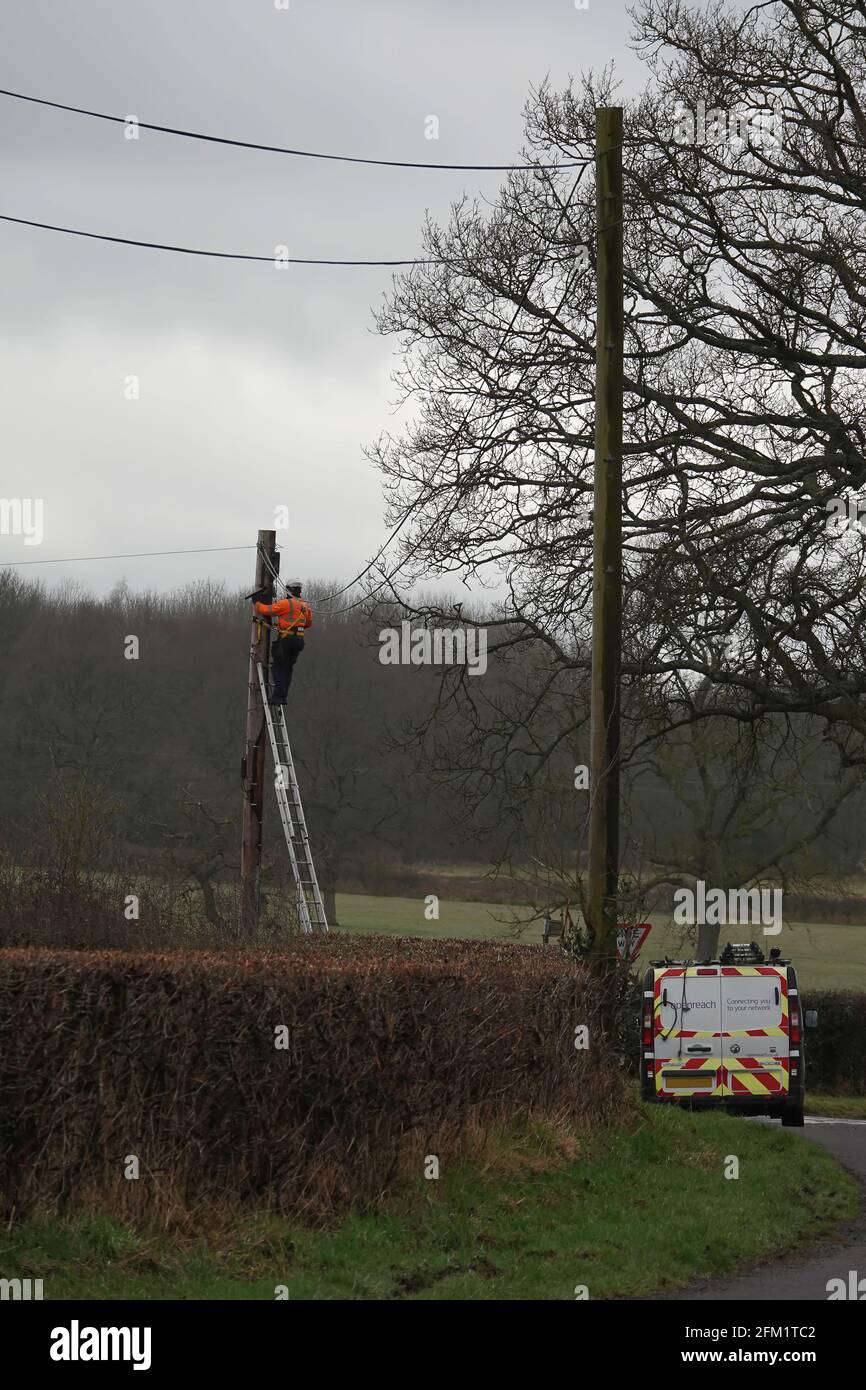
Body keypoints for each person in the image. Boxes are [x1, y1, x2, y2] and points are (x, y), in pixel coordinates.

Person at [254, 580, 313, 705]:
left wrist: (256, 603)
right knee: (288, 668)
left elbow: (266, 610)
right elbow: (308, 623)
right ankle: (283, 696)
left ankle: (277, 696)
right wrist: (285, 624)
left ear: (289, 590)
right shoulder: (305, 605)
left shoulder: (285, 604)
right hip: (299, 641)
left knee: (278, 667)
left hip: (286, 640)